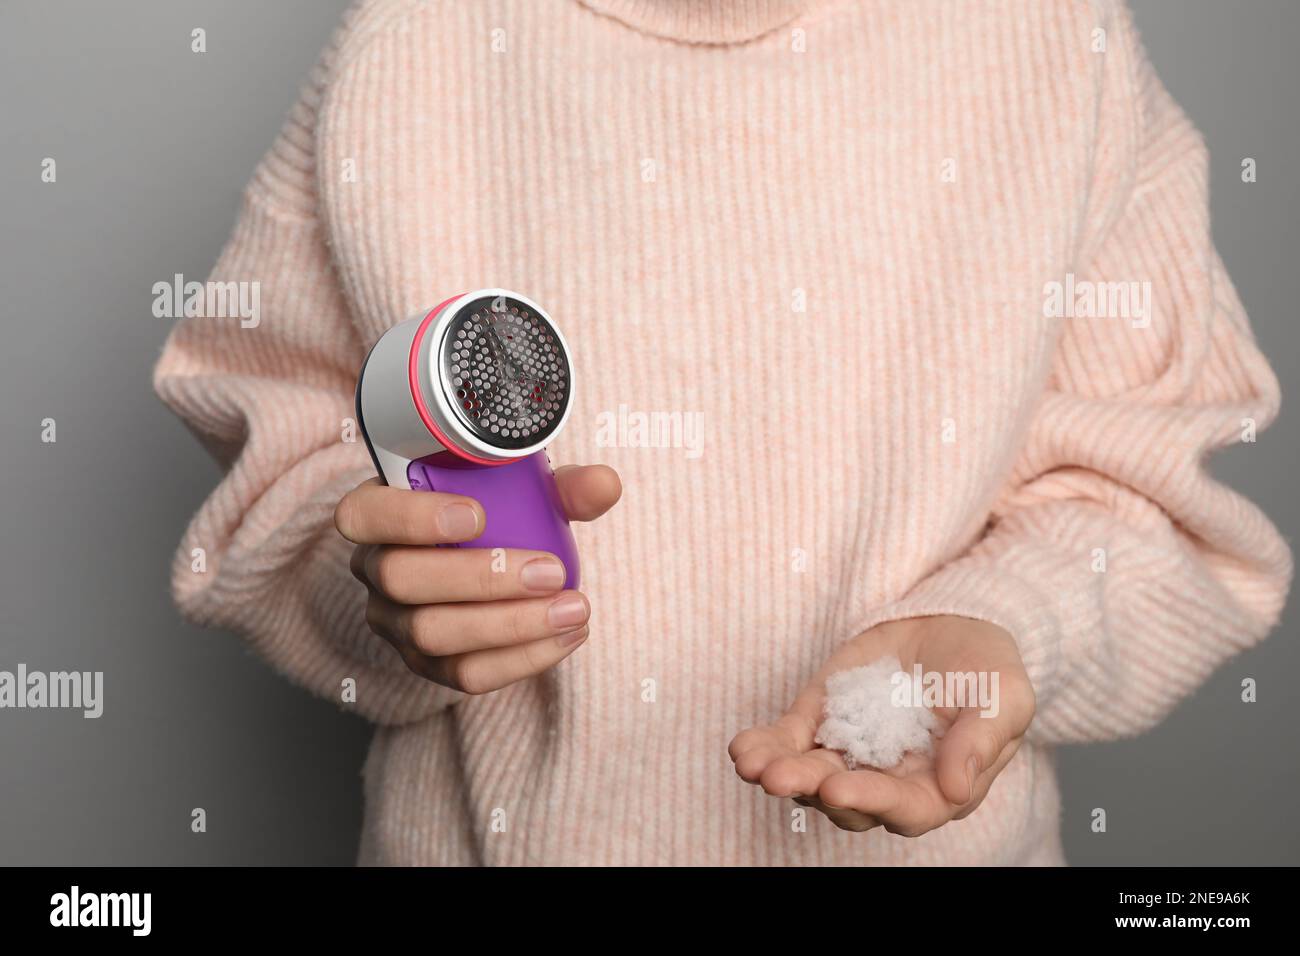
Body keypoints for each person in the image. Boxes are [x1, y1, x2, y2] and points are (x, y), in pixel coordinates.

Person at [154, 0, 1291, 865]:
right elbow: (276, 467)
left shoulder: (1054, 42)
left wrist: (1012, 623)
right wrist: (387, 593)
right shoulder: (418, 43)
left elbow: (1156, 504)